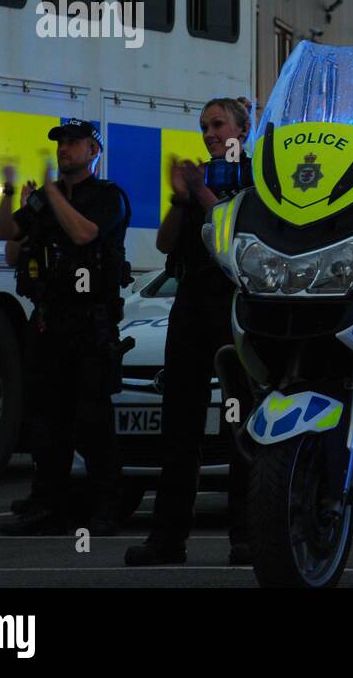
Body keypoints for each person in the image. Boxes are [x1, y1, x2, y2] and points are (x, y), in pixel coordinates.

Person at [125, 97, 254, 567]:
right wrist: (181, 198)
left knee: (241, 421)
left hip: (235, 305)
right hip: (190, 305)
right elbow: (164, 243)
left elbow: (236, 237)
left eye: (218, 124)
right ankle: (167, 538)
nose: (209, 133)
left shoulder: (256, 177)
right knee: (180, 425)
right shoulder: (199, 175)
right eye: (204, 126)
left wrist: (200, 192)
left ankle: (246, 536)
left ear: (243, 127)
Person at [0, 119, 131, 536]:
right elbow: (7, 237)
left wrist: (52, 196)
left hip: (90, 323)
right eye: (60, 143)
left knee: (92, 420)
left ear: (94, 151)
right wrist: (9, 193)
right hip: (49, 321)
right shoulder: (44, 203)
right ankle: (47, 505)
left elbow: (85, 233)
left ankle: (106, 507)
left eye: (74, 143)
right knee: (46, 421)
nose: (64, 149)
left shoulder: (107, 197)